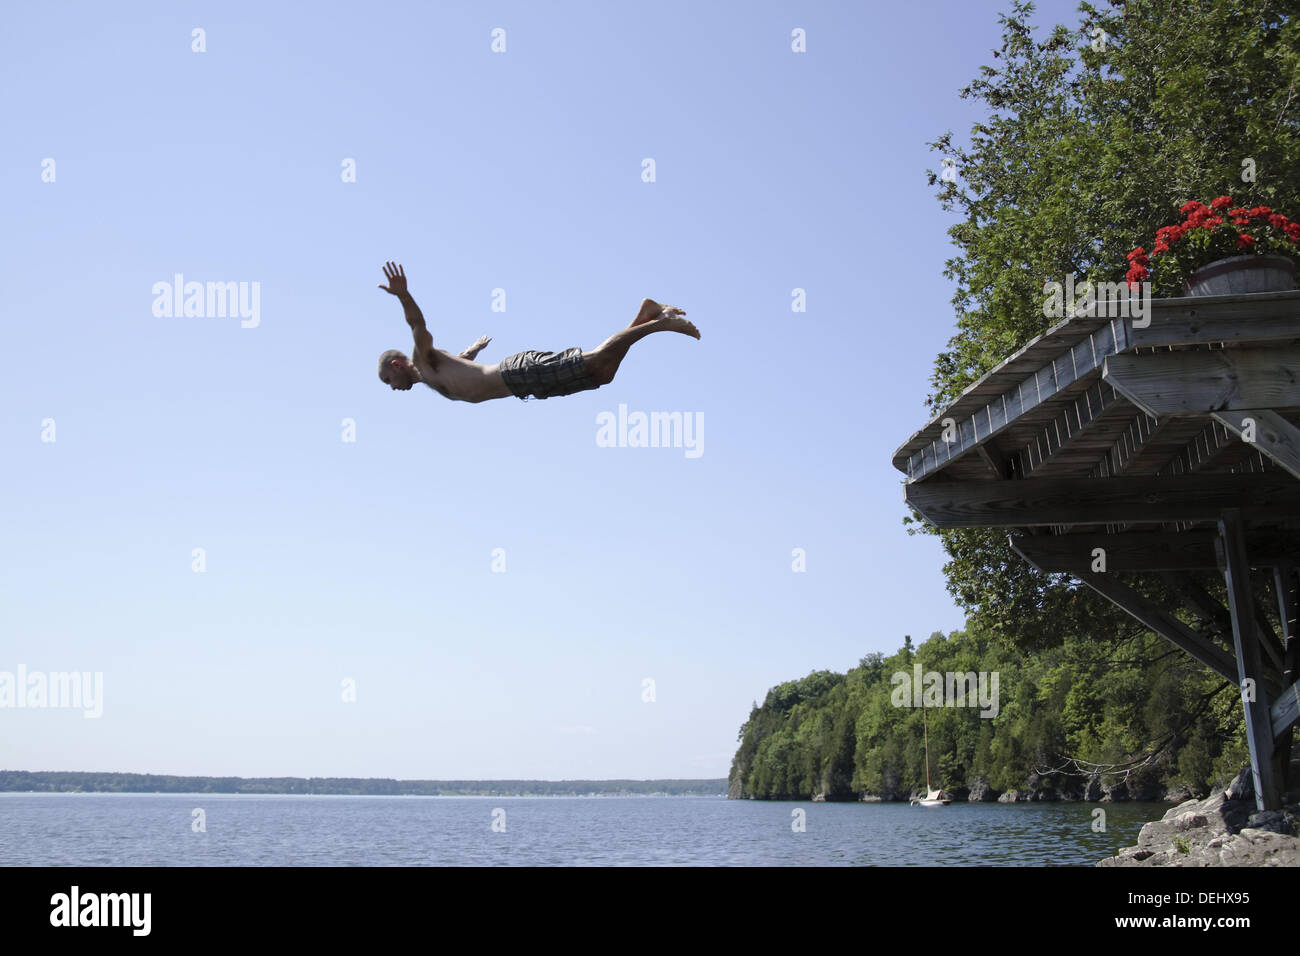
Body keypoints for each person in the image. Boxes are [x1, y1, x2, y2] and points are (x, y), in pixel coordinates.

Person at [376, 262, 699, 402]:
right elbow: (462, 362)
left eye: (389, 381)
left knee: (596, 361)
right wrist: (474, 349)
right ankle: (645, 317)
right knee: (601, 374)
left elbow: (417, 325)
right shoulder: (432, 373)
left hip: (516, 374)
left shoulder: (423, 358)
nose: (393, 388)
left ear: (397, 365)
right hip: (523, 387)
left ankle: (660, 323)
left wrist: (404, 295)